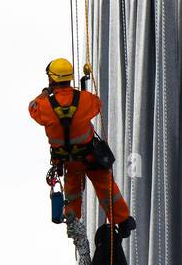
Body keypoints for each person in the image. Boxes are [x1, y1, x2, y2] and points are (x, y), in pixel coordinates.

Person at [28, 58, 135, 238]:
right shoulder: (84, 100)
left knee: (72, 192)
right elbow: (97, 104)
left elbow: (32, 108)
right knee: (106, 186)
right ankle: (123, 221)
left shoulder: (44, 106)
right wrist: (79, 94)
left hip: (68, 161)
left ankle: (73, 221)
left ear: (52, 80)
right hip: (90, 156)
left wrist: (45, 93)